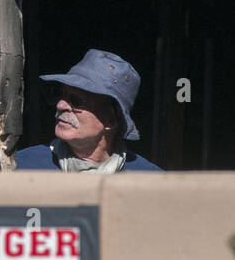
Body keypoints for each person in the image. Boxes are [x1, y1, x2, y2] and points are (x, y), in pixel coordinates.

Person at [14, 49, 162, 172]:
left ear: (111, 119)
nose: (61, 105)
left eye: (76, 101)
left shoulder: (149, 179)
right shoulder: (21, 166)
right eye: (60, 95)